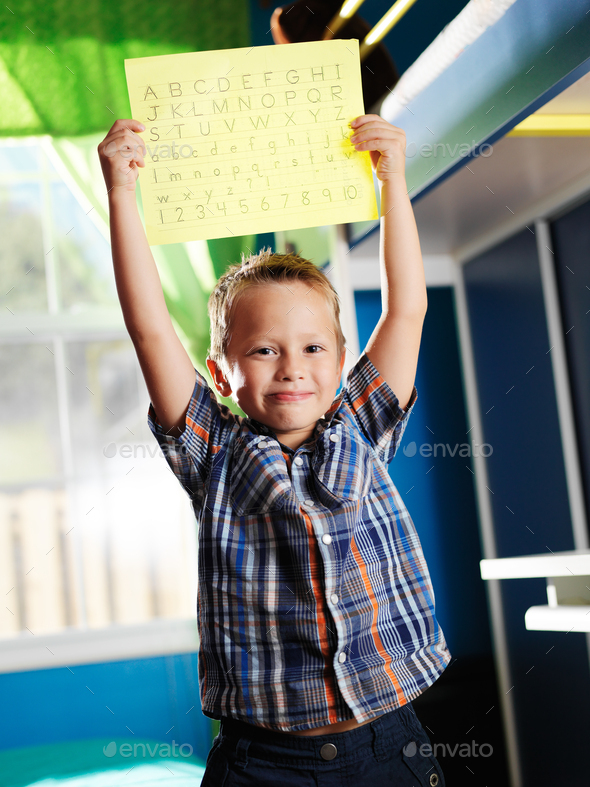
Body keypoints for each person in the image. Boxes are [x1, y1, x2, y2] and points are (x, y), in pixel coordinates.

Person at [98, 112, 450, 786]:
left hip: (389, 746)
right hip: (266, 763)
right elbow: (148, 330)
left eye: (313, 348)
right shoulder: (214, 451)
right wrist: (121, 191)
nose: (291, 366)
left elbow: (407, 308)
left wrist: (392, 178)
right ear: (222, 371)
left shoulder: (362, 423)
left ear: (343, 358)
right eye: (263, 349)